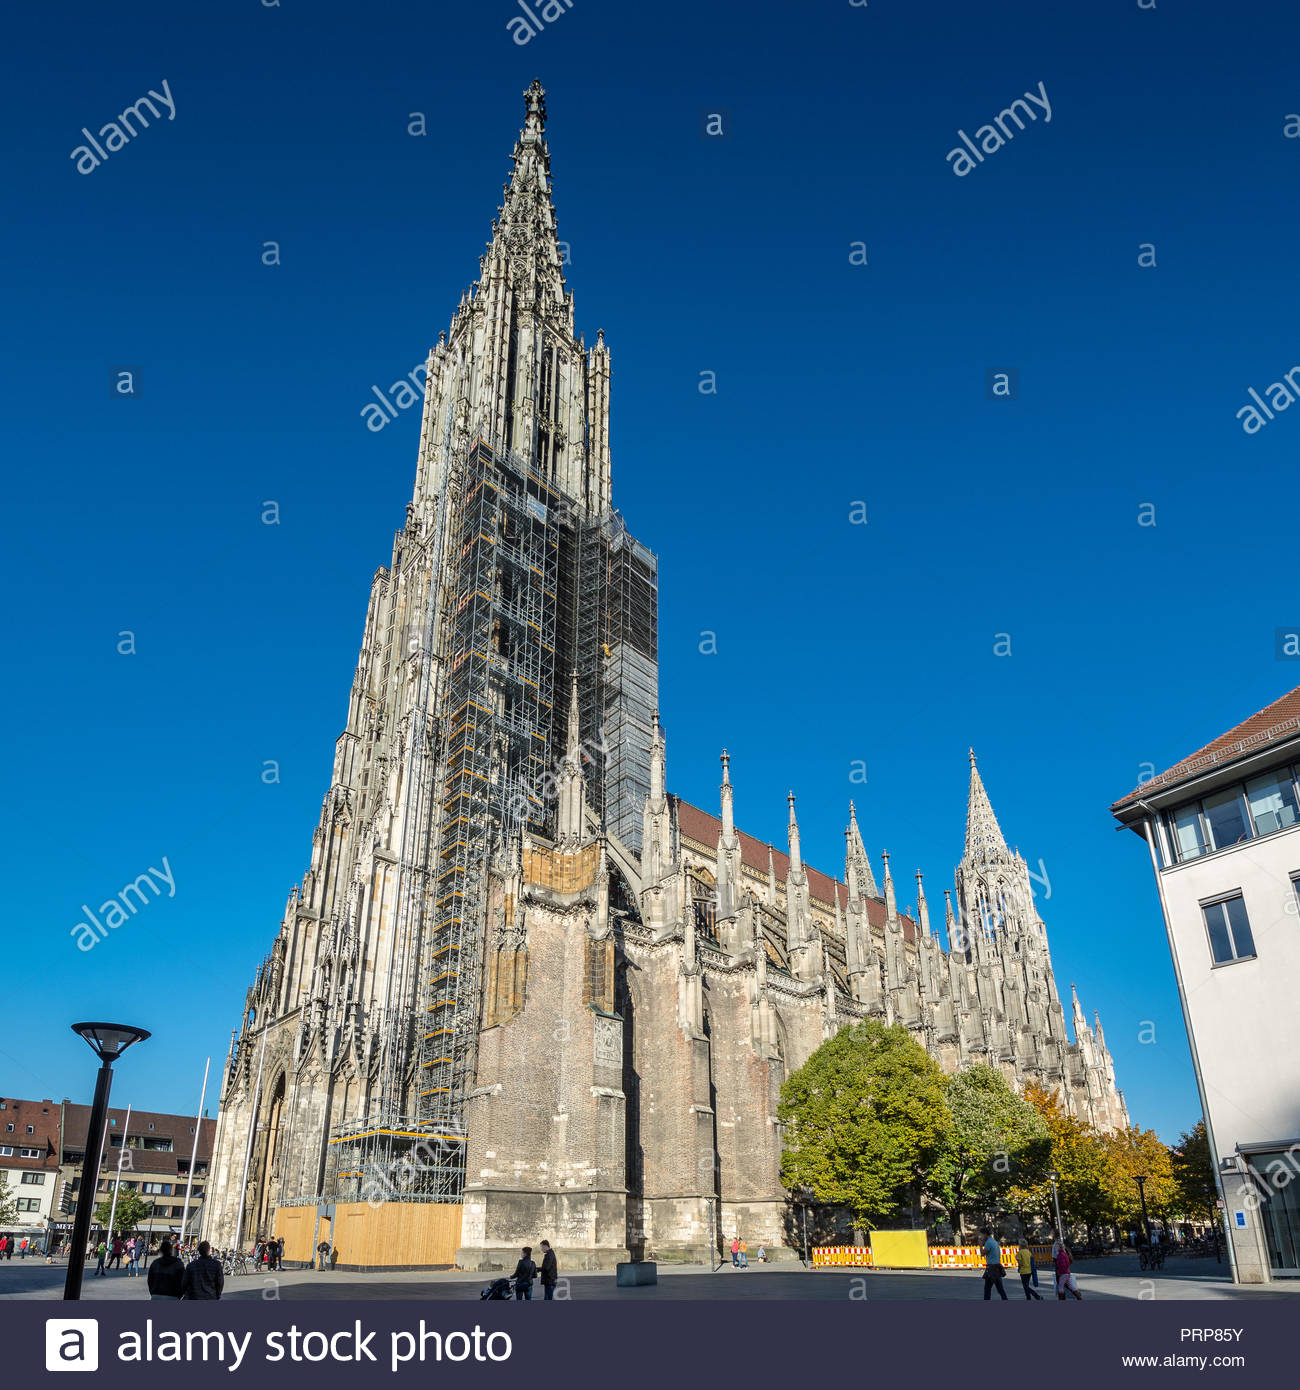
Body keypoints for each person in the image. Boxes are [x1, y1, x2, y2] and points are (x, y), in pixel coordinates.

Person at [980, 1228, 1007, 1301]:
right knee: (1000, 1289)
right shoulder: (994, 1242)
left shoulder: (988, 1242)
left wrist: (980, 1245)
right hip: (997, 1267)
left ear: (985, 1234)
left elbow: (982, 1254)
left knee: (987, 1289)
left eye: (982, 1235)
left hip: (991, 1268)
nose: (981, 1237)